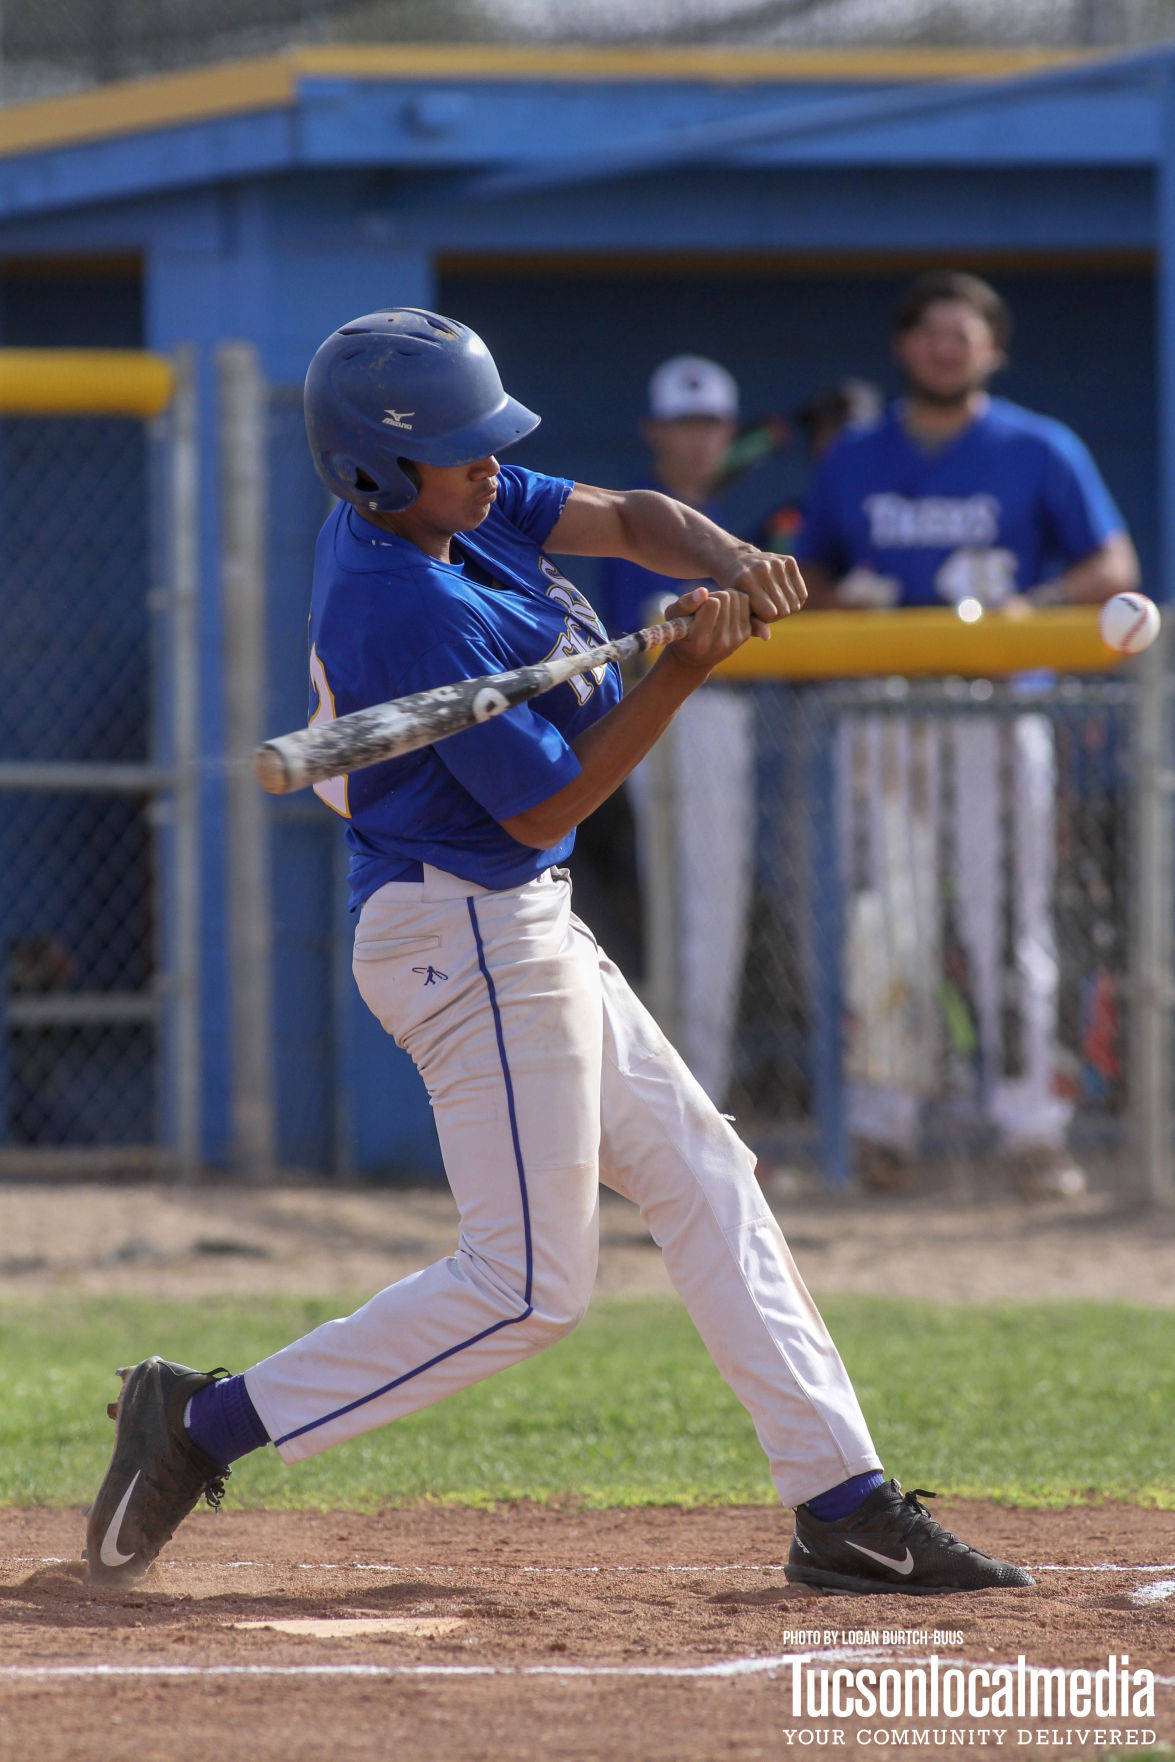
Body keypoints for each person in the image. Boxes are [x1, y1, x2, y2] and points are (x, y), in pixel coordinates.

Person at [84, 307, 1033, 1598]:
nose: (488, 467)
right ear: (373, 467)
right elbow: (539, 804)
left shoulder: (453, 510)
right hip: (457, 921)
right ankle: (199, 1425)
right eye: (462, 452)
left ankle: (841, 1503)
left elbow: (637, 516)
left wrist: (733, 555)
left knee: (704, 1174)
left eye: (489, 446)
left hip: (515, 917)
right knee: (526, 1284)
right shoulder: (399, 597)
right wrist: (677, 673)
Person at [793, 270, 1140, 1197]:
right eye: (931, 333)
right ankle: (882, 1130)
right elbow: (807, 570)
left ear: (991, 349)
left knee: (1009, 920)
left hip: (998, 706)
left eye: (965, 334)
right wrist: (844, 598)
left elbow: (1112, 564)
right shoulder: (857, 456)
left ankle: (1031, 1127)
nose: (947, 349)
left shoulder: (1037, 446)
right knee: (886, 924)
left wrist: (1036, 600)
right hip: (887, 713)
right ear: (904, 347)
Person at [595, 356, 757, 1108]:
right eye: (682, 426)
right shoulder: (636, 522)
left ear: (728, 433)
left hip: (727, 723)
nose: (696, 442)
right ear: (654, 432)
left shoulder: (748, 530)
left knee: (710, 919)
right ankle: (676, 1103)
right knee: (666, 918)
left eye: (710, 426)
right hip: (654, 723)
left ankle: (702, 1098)